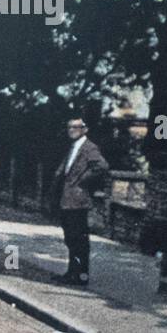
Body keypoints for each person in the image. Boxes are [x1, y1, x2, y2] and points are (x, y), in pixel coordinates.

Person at [48, 117, 109, 285]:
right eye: (69, 127)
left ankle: (81, 275)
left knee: (78, 239)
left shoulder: (89, 147)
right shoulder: (74, 147)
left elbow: (102, 166)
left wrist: (82, 181)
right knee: (70, 238)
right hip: (67, 200)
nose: (71, 130)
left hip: (78, 200)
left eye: (76, 127)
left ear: (84, 129)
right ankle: (72, 272)